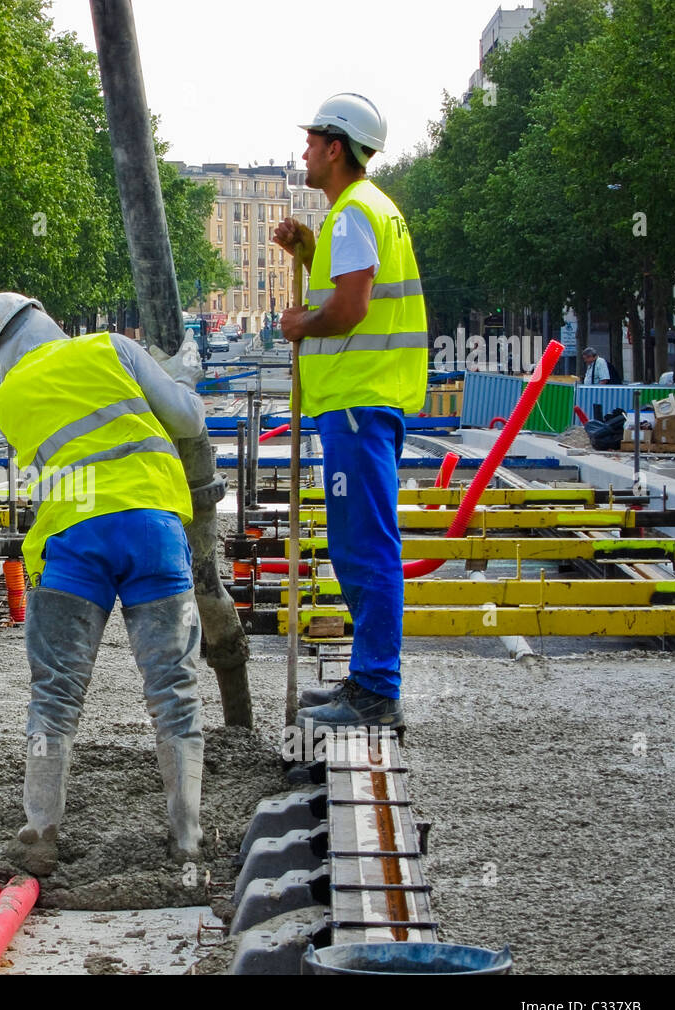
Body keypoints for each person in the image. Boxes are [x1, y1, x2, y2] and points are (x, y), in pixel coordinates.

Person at [0, 293, 206, 872]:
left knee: (54, 696)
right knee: (174, 691)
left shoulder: (5, 400)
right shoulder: (113, 348)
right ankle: (186, 834)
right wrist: (181, 374)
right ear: (47, 318)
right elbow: (188, 419)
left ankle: (40, 827)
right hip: (151, 528)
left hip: (72, 540)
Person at [274, 93, 426, 735]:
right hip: (366, 400)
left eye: (312, 141)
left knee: (364, 546)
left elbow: (352, 307)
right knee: (361, 542)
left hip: (358, 402)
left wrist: (300, 324)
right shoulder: (369, 210)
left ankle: (376, 689)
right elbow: (355, 285)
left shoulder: (354, 213)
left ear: (336, 148)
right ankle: (368, 680)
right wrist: (310, 252)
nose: (305, 150)